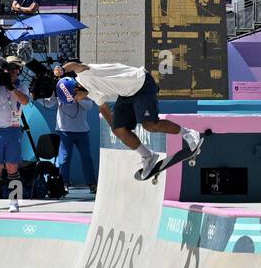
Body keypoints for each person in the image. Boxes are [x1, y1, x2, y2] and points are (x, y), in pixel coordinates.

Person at [61, 61, 201, 181]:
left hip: (142, 83)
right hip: (126, 95)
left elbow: (75, 66)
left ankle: (189, 133)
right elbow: (103, 107)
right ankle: (148, 156)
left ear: (75, 87)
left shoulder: (85, 75)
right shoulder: (90, 93)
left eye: (75, 97)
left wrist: (61, 70)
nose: (78, 100)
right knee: (119, 129)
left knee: (150, 125)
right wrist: (115, 128)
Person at [40, 64, 98, 193]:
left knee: (86, 158)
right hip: (64, 129)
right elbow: (50, 103)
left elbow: (89, 106)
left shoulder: (82, 89)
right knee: (64, 158)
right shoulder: (60, 88)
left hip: (82, 130)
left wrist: (76, 97)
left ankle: (91, 183)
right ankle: (63, 183)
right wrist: (38, 97)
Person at [0, 56, 28, 213]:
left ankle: (14, 202)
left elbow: (25, 101)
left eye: (14, 71)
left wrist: (11, 88)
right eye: (9, 70)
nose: (11, 73)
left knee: (12, 167)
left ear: (18, 71)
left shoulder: (21, 86)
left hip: (13, 129)